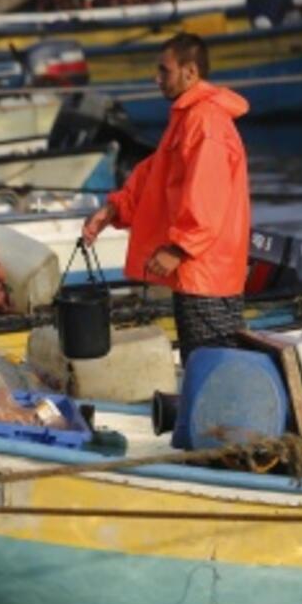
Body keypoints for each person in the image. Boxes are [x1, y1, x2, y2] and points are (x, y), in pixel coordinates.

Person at [82, 33, 252, 362]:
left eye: (164, 71)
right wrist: (113, 208)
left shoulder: (206, 122)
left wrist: (179, 248)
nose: (156, 78)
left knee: (212, 362)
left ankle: (218, 415)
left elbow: (208, 195)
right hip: (196, 270)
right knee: (201, 358)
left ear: (190, 72)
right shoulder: (188, 117)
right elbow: (155, 174)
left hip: (207, 272)